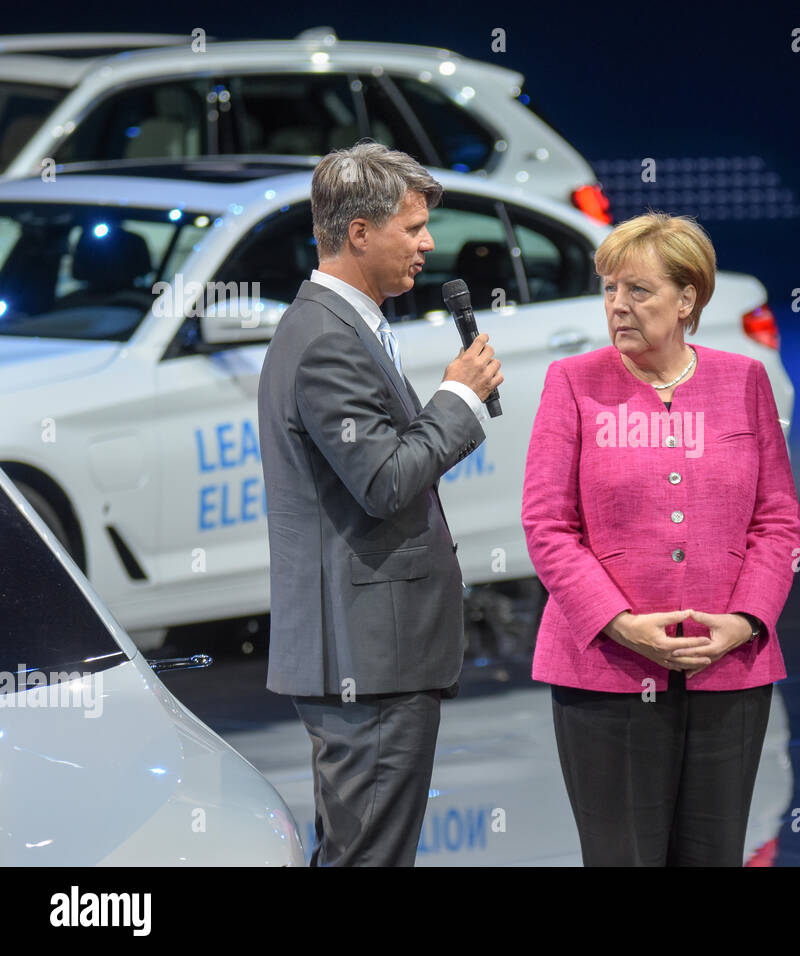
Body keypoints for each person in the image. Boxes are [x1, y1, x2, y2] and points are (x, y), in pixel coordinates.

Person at [521, 213, 800, 867]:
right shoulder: (573, 383)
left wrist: (744, 620)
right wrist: (620, 624)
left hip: (728, 668)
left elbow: (777, 519)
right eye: (610, 289)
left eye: (638, 290)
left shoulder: (744, 382)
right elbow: (548, 525)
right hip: (606, 671)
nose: (618, 305)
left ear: (686, 299)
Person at [257, 142, 503, 866]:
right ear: (359, 232)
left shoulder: (342, 324)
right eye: (413, 226)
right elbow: (386, 482)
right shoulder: (327, 340)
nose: (429, 243)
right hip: (366, 658)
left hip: (371, 653)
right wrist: (459, 397)